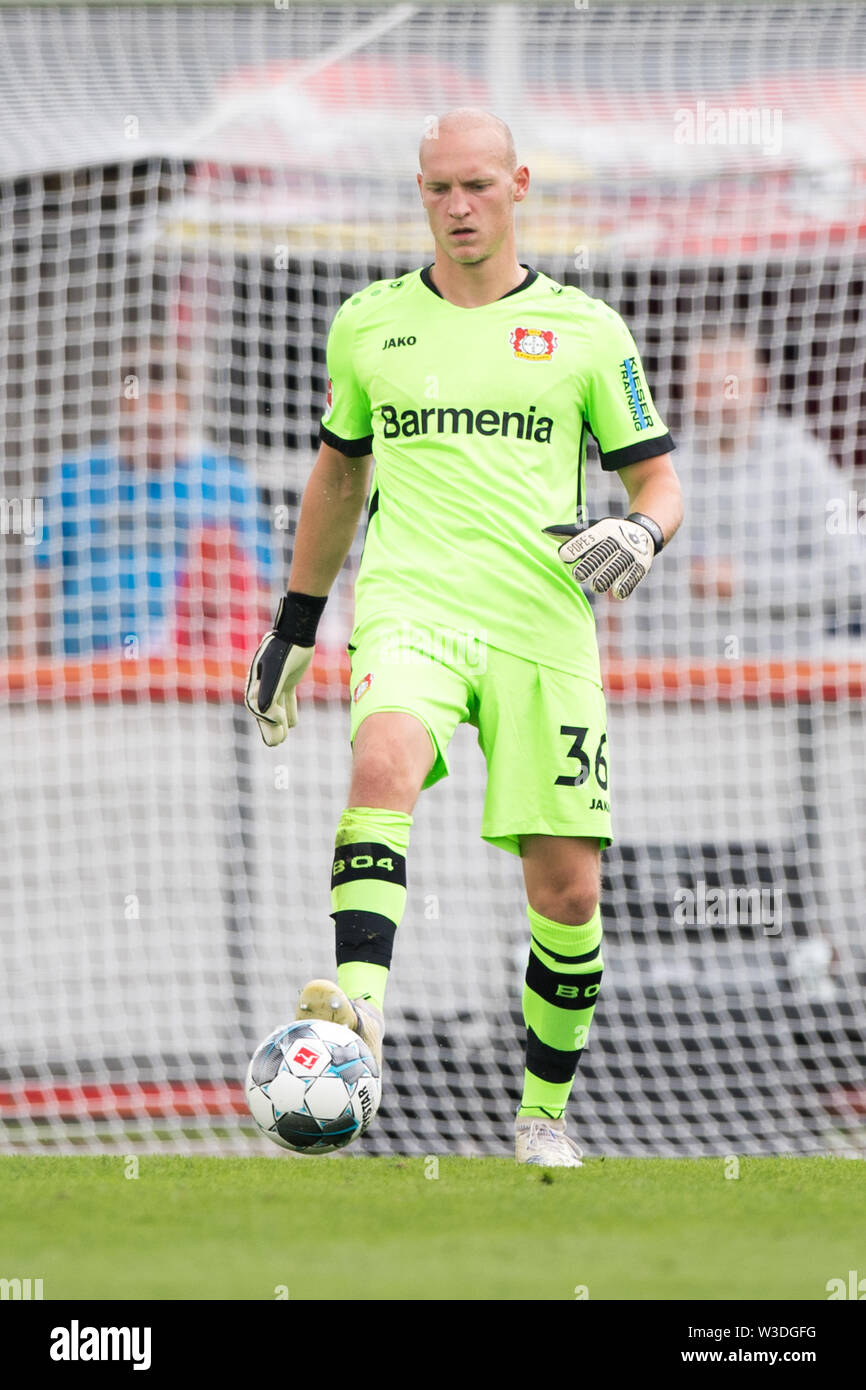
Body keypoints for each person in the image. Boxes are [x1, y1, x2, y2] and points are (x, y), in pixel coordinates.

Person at [245, 109, 683, 1167]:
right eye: (438, 188)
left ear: (519, 185)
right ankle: (358, 1017)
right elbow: (339, 474)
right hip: (413, 605)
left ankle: (540, 1114)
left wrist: (640, 528)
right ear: (419, 192)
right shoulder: (368, 324)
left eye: (478, 186)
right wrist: (295, 625)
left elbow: (658, 482)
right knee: (381, 759)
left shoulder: (586, 330)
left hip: (542, 624)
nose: (458, 207)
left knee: (566, 889)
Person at [597, 323, 863, 662]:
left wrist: (744, 583)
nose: (721, 400)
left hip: (788, 682)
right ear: (686, 391)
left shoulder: (800, 461)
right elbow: (628, 596)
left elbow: (853, 576)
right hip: (680, 686)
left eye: (731, 384)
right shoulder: (661, 474)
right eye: (706, 386)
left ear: (760, 386)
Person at [18, 358, 272, 660]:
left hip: (192, 679)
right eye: (147, 428)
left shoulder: (228, 483)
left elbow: (259, 590)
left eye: (165, 428)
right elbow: (39, 585)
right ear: (124, 410)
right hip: (89, 676)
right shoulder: (73, 480)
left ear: (184, 409)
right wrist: (27, 672)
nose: (155, 440)